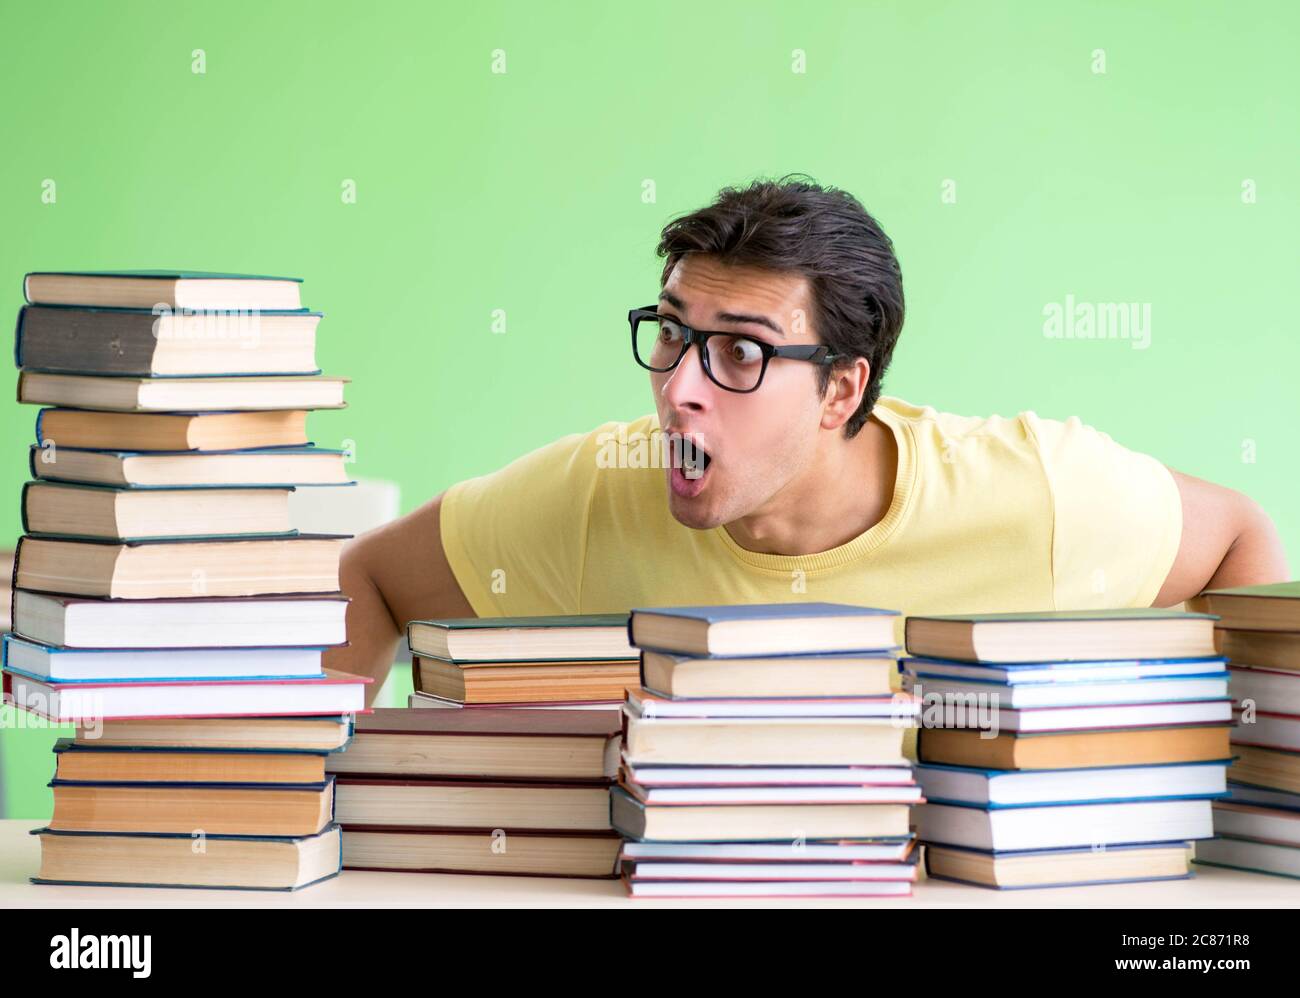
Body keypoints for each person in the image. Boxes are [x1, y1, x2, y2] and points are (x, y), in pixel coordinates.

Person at [327, 177, 1288, 702]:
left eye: (741, 353)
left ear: (841, 390)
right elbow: (369, 581)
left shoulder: (1041, 499)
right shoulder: (589, 498)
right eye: (673, 335)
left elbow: (1239, 535)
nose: (680, 392)